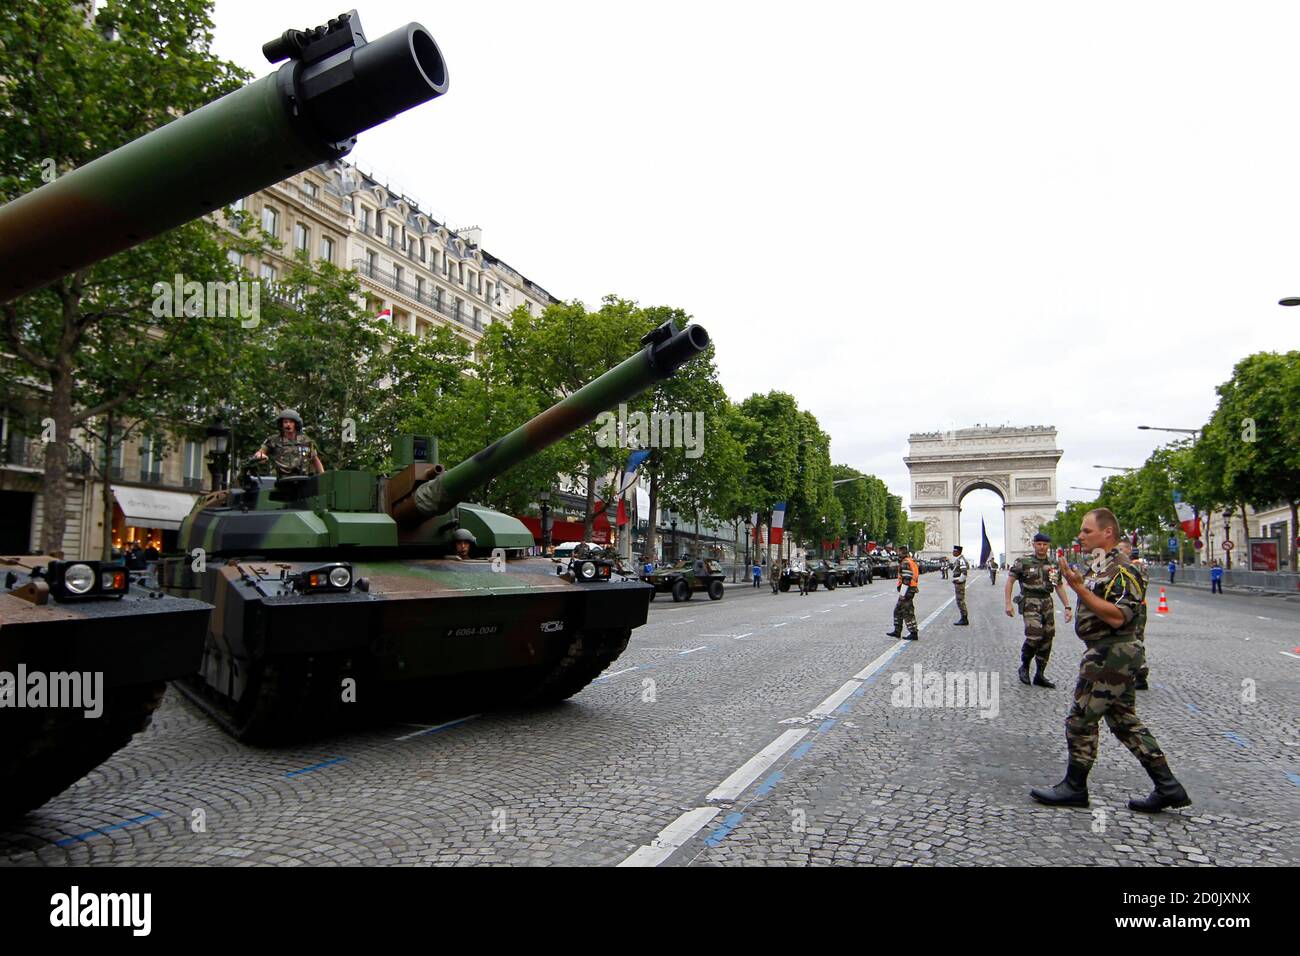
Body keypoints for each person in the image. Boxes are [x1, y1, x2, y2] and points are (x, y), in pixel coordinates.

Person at [1030, 507, 1191, 813]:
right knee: (1124, 722)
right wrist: (1076, 581)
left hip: (1111, 653)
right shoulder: (1100, 566)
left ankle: (1074, 787)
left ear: (1107, 533)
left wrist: (1077, 587)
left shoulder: (1122, 569)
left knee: (1080, 720)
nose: (1080, 535)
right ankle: (1168, 786)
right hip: (1108, 652)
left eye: (1086, 531)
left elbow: (1119, 616)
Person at [1006, 533, 1073, 687]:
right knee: (1034, 636)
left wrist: (1067, 606)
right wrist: (1008, 603)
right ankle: (1024, 666)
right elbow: (1010, 582)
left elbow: (1058, 586)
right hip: (1029, 601)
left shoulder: (1053, 564)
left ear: (1048, 546)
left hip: (1046, 602)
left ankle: (1040, 674)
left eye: (1045, 544)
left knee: (1047, 638)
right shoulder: (1023, 562)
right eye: (1039, 544)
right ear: (1034, 544)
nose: (1042, 547)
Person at [253, 408, 324, 478]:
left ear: (296, 424)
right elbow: (260, 453)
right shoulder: (274, 440)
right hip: (284, 480)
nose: (288, 424)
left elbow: (315, 459)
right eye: (285, 422)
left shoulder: (305, 441)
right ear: (281, 424)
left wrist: (323, 477)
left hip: (303, 479)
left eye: (291, 422)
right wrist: (260, 456)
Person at [1118, 540, 1150, 690]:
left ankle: (1140, 672)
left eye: (1120, 549)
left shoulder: (1135, 566)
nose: (1117, 552)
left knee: (1135, 638)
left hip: (1135, 607)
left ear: (1128, 550)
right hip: (1127, 606)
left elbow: (1138, 588)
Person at [885, 545, 920, 640]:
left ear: (902, 553)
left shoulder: (905, 563)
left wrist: (902, 594)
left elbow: (907, 579)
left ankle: (913, 632)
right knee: (898, 610)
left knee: (907, 612)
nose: (897, 554)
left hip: (907, 590)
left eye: (898, 552)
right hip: (911, 589)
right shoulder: (911, 561)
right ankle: (897, 631)